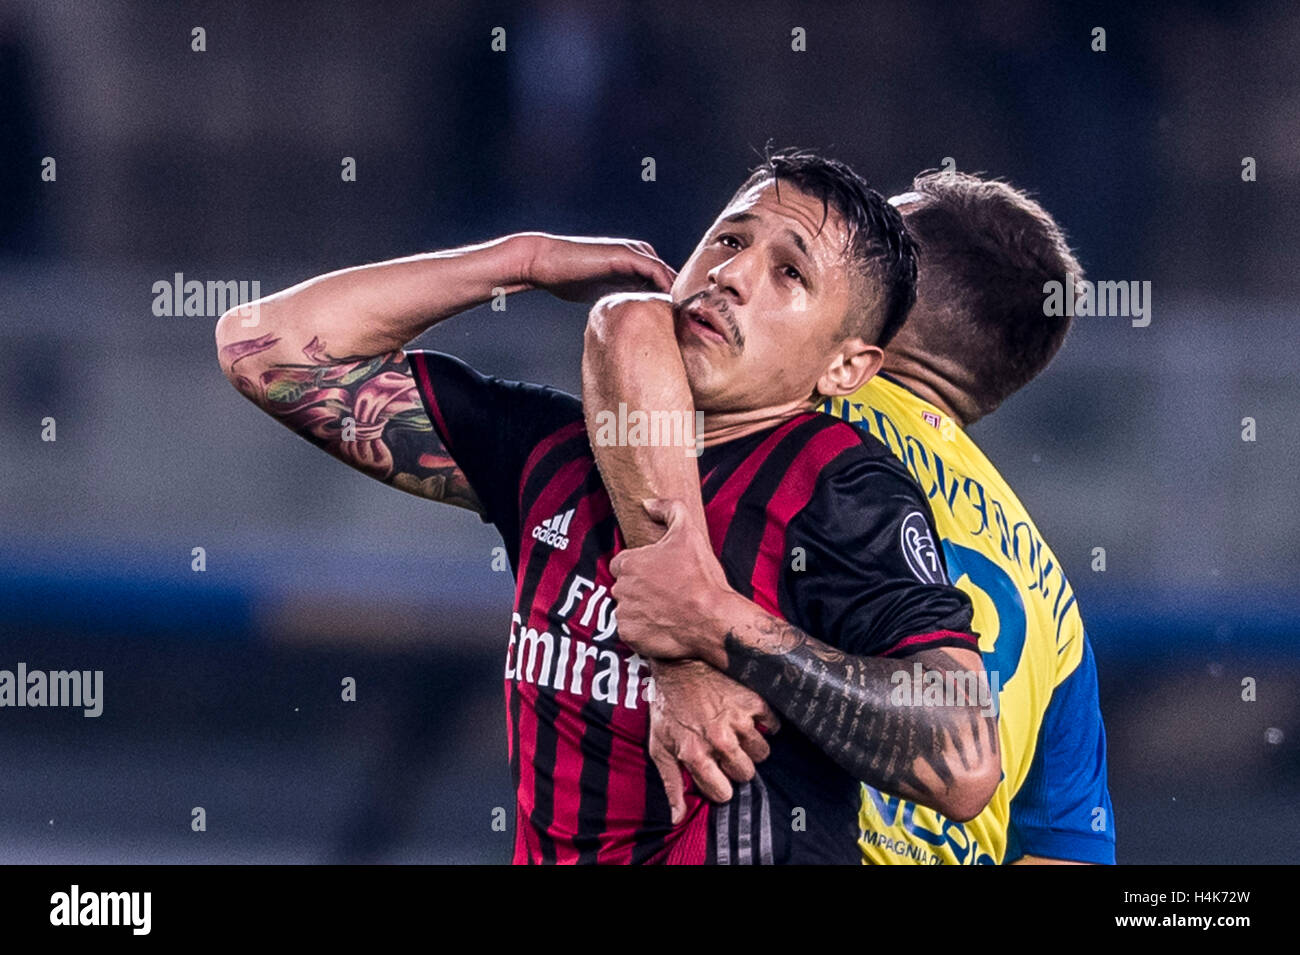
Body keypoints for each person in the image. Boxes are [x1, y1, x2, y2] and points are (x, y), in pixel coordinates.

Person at [214, 152, 998, 864]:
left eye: (789, 273)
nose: (732, 274)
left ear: (846, 364)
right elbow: (266, 348)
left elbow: (965, 764)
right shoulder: (554, 448)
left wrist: (722, 628)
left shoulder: (837, 489)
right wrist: (518, 260)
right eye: (728, 240)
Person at [583, 163, 1114, 865]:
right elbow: (1069, 850)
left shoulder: (790, 412)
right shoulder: (1054, 599)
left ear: (884, 303)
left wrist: (693, 623)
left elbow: (632, 331)